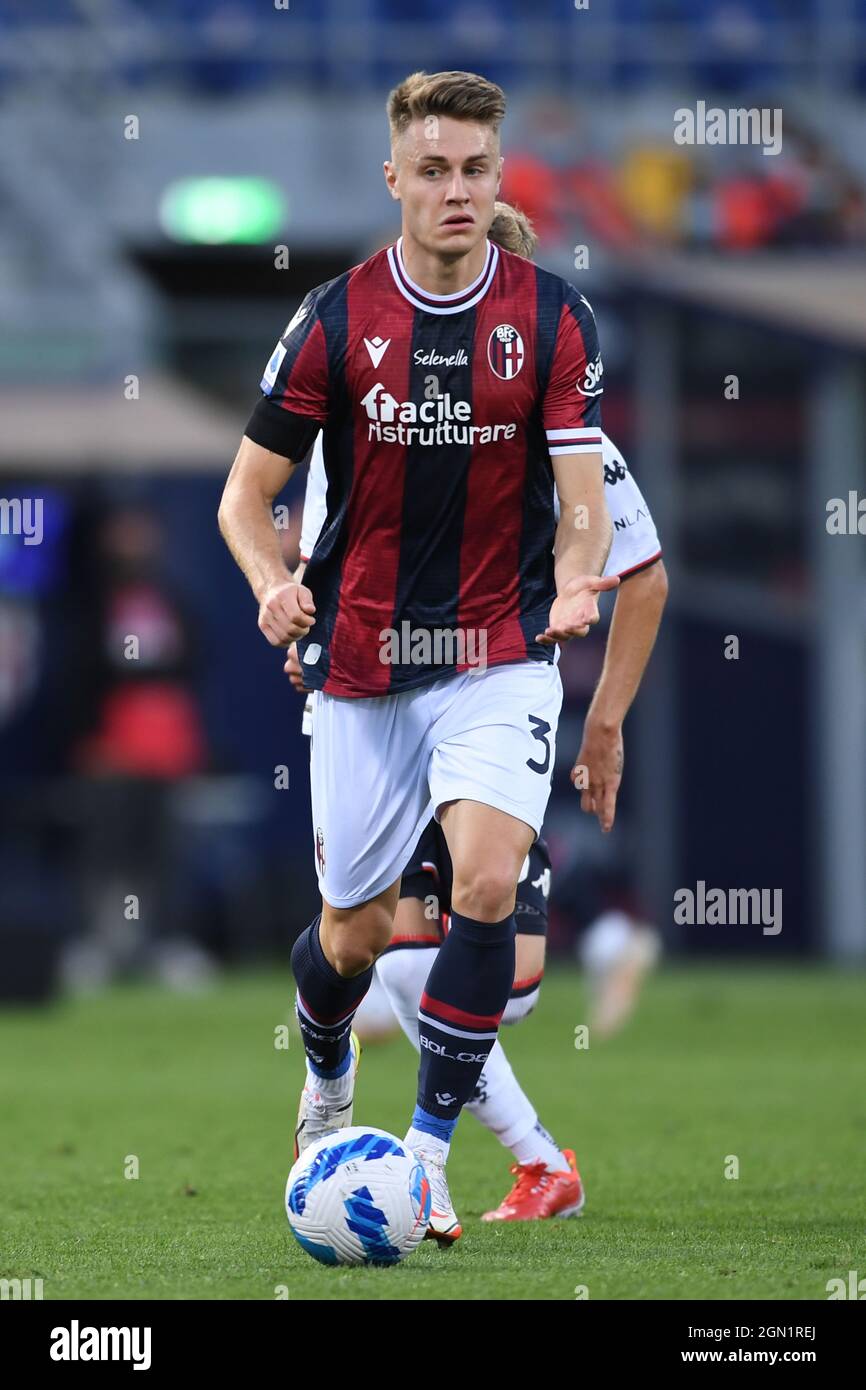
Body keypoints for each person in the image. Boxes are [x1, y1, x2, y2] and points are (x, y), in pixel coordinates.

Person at [218, 69, 618, 1243]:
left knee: (486, 883)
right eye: (432, 170)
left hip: (498, 649)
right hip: (359, 659)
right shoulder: (336, 319)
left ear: (499, 179)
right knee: (351, 934)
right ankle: (328, 1064)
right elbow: (247, 498)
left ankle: (427, 1155)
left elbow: (583, 500)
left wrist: (580, 574)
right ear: (393, 177)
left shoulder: (552, 318)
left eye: (474, 170)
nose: (455, 190)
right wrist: (270, 581)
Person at [285, 202, 667, 1229]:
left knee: (457, 936)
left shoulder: (562, 425)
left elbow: (644, 575)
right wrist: (305, 633)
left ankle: (458, 1161)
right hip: (368, 686)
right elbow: (321, 539)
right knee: (358, 942)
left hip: (488, 686)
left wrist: (604, 724)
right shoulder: (365, 407)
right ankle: (348, 1086)